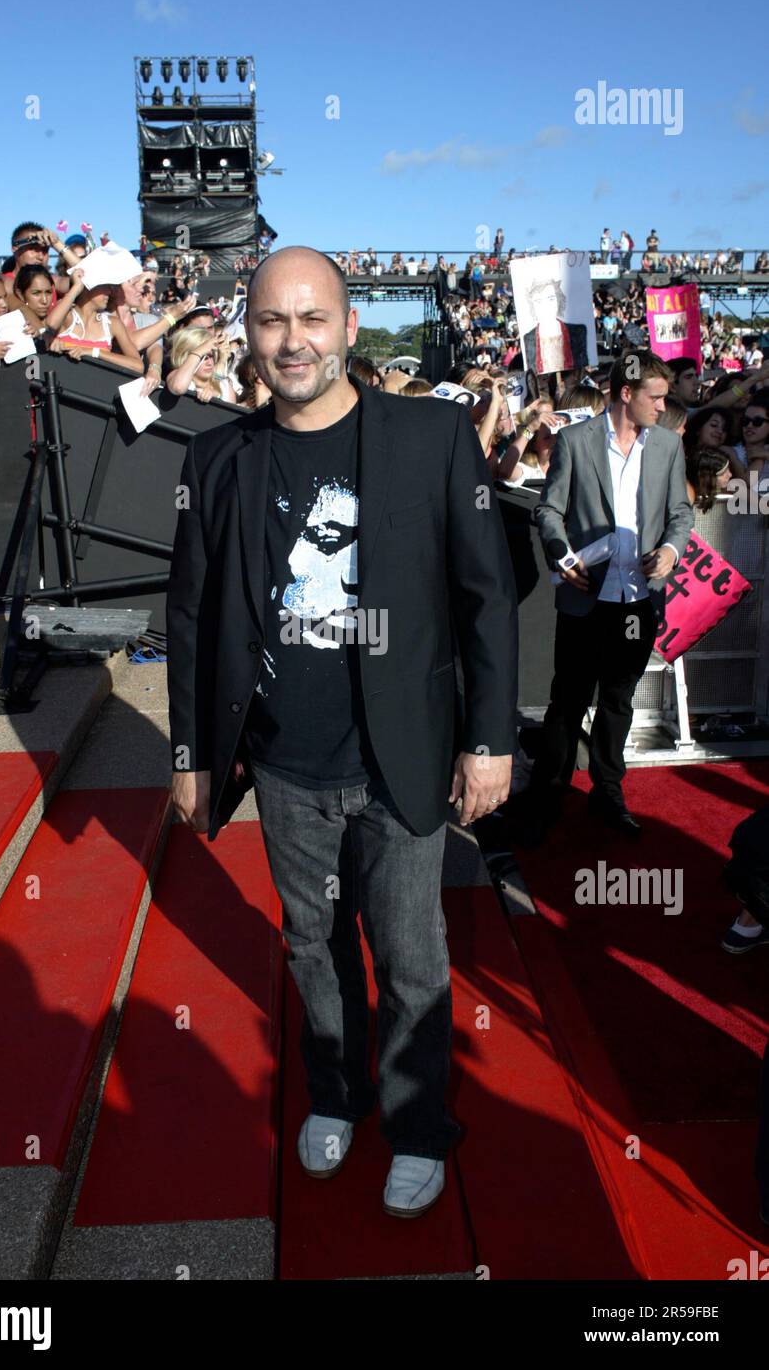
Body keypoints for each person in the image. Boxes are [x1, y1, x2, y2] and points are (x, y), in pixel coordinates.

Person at [166, 244, 518, 1217]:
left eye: (311, 318)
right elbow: (191, 614)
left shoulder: (431, 437)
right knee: (310, 945)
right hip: (282, 763)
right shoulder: (217, 457)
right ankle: (334, 1094)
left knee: (410, 955)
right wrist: (192, 753)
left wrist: (488, 739)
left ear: (348, 329)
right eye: (273, 320)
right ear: (249, 334)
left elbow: (486, 596)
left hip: (400, 759)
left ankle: (415, 1126)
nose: (292, 340)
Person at [511, 350, 693, 845]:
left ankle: (608, 789)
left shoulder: (667, 449)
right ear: (627, 394)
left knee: (619, 698)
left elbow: (681, 512)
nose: (664, 407)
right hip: (585, 595)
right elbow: (549, 512)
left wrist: (673, 551)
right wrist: (561, 554)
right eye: (655, 397)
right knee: (566, 701)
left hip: (637, 601)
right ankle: (548, 796)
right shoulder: (575, 442)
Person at [46, 270, 143, 373]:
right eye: (105, 286)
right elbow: (50, 324)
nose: (109, 291)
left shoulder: (113, 324)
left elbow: (138, 366)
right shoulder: (66, 316)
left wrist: (95, 352)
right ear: (89, 287)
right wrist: (76, 288)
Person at [522, 277, 589, 375]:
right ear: (533, 306)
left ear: (558, 300)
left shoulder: (577, 331)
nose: (546, 305)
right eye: (538, 301)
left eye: (551, 299)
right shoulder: (528, 338)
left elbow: (582, 365)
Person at [165, 324, 236, 402]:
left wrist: (213, 395)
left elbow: (217, 377)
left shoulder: (224, 386)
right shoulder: (177, 375)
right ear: (185, 357)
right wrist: (199, 352)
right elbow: (178, 388)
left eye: (211, 356)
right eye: (203, 358)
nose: (209, 363)